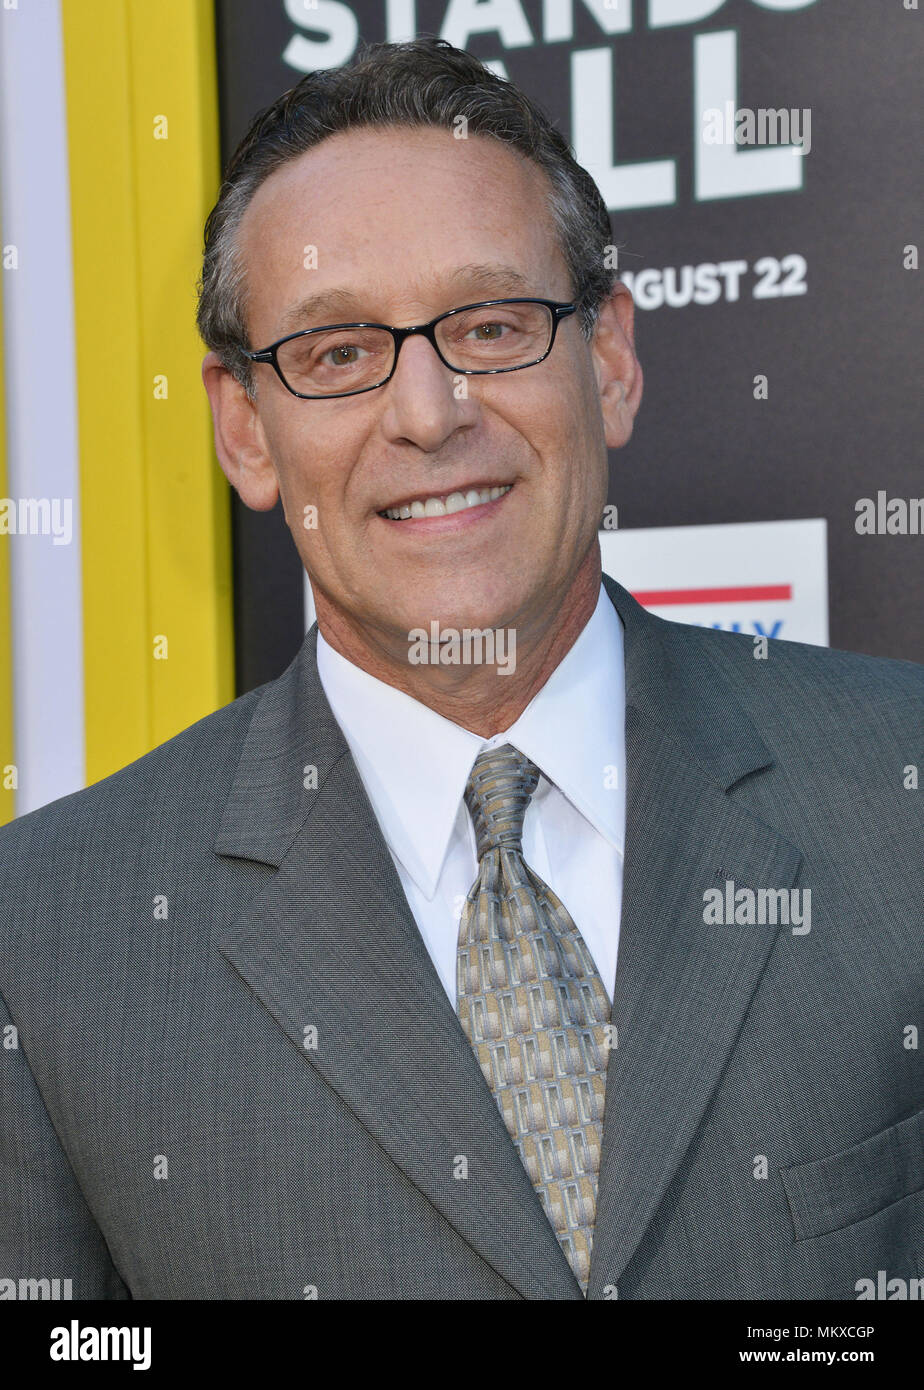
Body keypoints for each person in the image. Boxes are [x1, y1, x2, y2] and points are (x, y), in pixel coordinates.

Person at [1, 37, 921, 1302]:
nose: (429, 413)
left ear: (607, 359)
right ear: (243, 429)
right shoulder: (45, 937)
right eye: (335, 354)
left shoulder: (898, 792)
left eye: (491, 326)